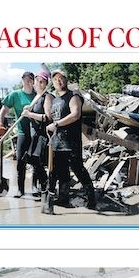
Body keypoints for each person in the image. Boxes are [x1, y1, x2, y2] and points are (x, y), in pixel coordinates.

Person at [42, 69, 96, 210]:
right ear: (53, 83)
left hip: (71, 142)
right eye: (55, 79)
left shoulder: (74, 96)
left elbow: (75, 115)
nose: (58, 81)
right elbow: (51, 117)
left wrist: (56, 124)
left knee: (78, 169)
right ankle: (63, 198)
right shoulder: (55, 100)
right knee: (61, 171)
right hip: (57, 142)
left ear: (66, 80)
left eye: (61, 78)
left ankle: (92, 198)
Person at [0, 71, 39, 197]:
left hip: (36, 132)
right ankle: (21, 190)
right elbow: (3, 110)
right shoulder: (15, 95)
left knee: (36, 160)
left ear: (34, 80)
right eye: (25, 79)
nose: (28, 81)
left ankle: (35, 187)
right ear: (22, 80)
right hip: (22, 132)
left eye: (30, 78)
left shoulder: (38, 95)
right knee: (20, 160)